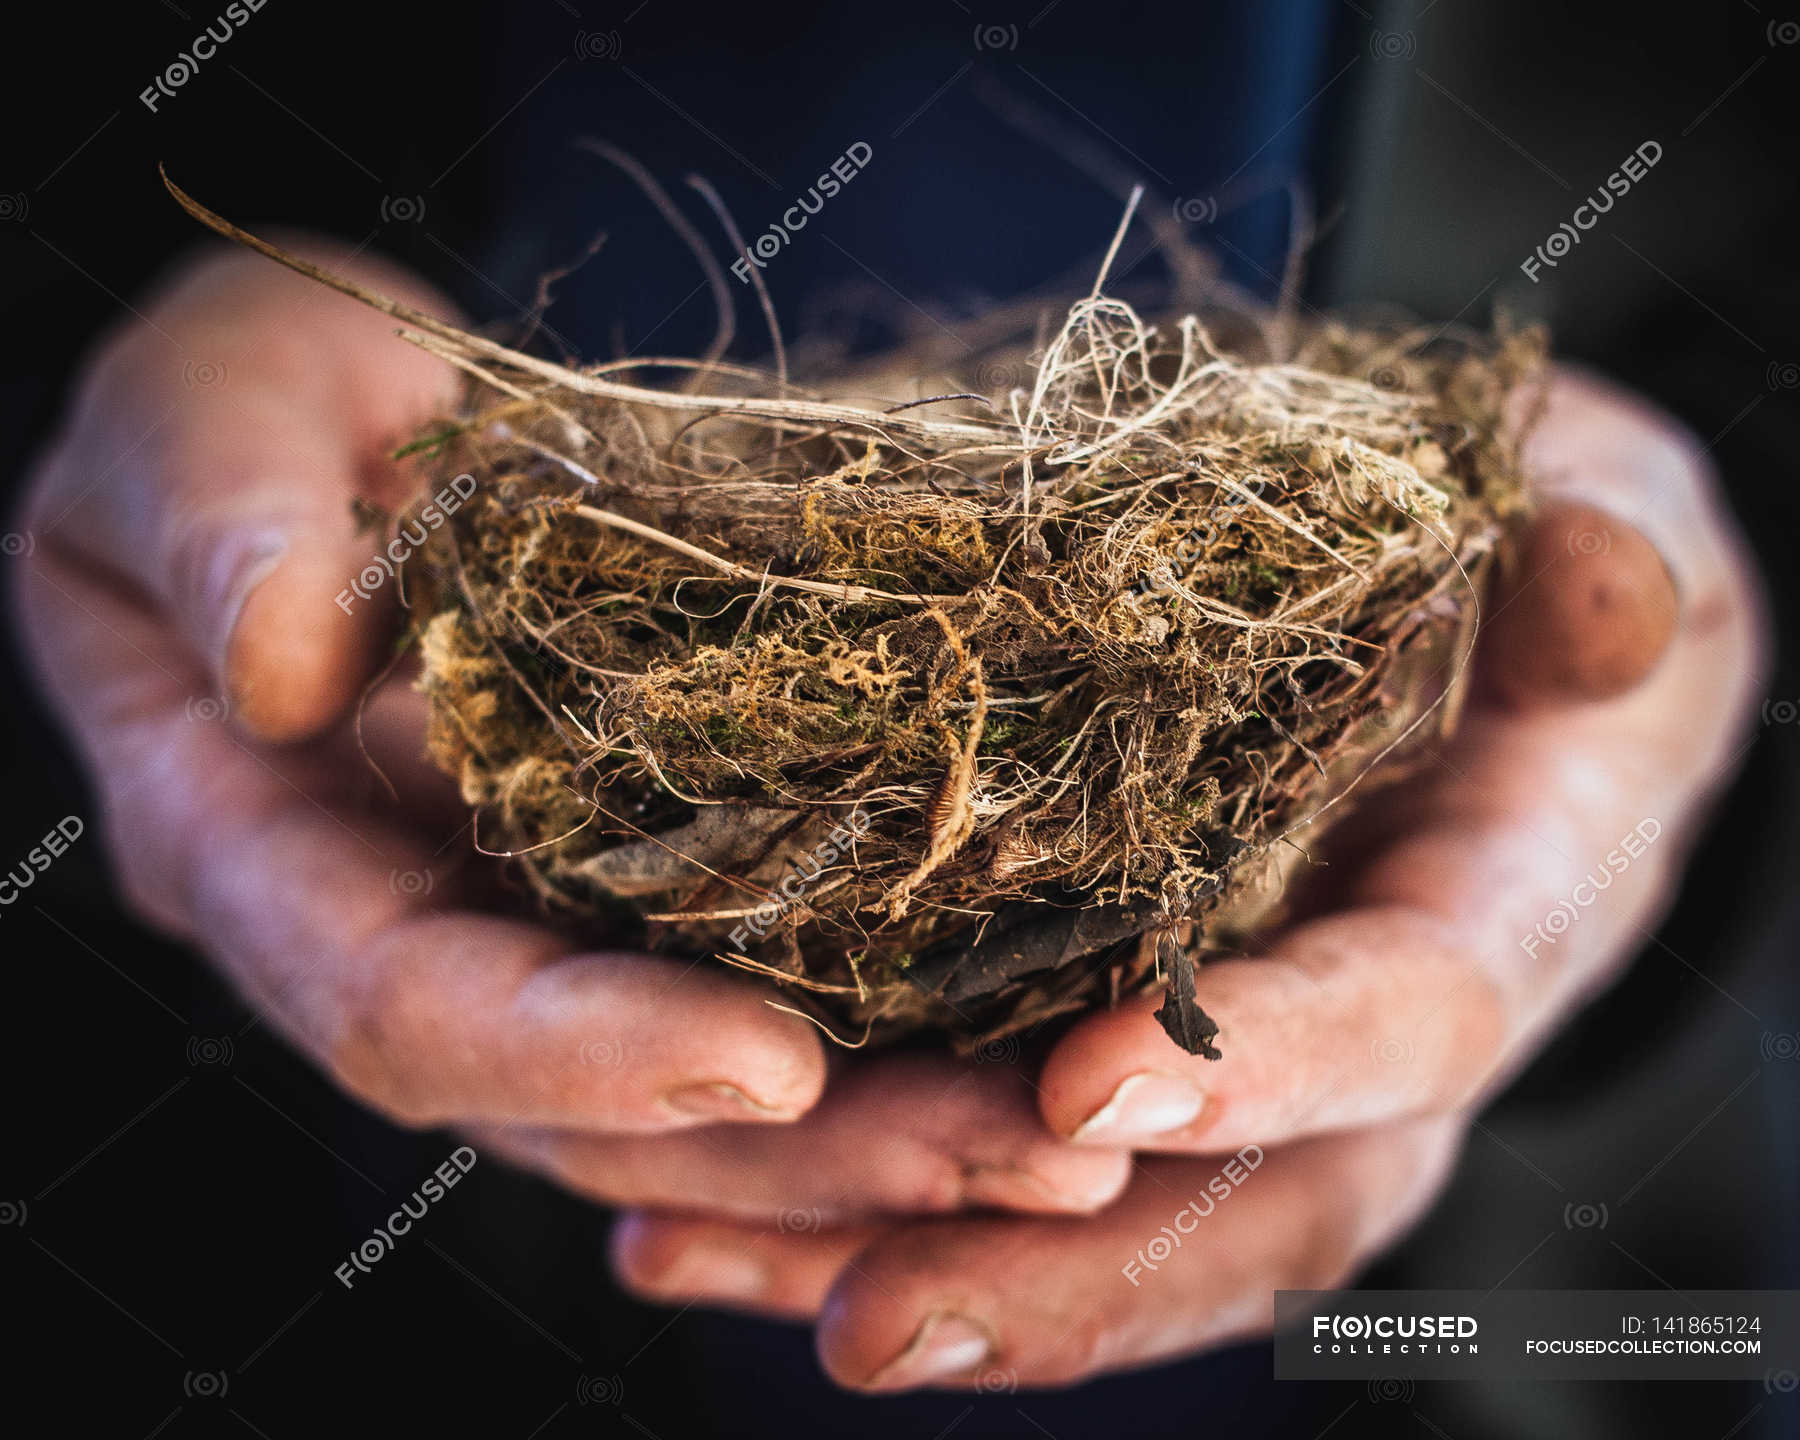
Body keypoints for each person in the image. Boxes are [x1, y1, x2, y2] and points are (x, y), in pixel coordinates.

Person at [13, 211, 1766, 1398]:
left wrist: (1737, 518)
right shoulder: (564, 569)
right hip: (353, 1280)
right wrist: (79, 437)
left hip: (1429, 1334)